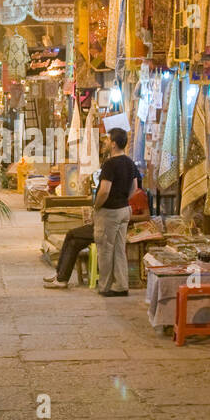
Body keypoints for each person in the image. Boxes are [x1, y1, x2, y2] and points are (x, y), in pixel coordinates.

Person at [42, 187, 149, 288]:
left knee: (71, 234)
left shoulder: (137, 194)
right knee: (74, 242)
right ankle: (60, 276)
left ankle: (60, 278)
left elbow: (146, 216)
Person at [92, 127, 141, 297]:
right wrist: (124, 199)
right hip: (124, 210)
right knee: (120, 249)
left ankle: (105, 286)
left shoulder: (110, 164)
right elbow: (134, 188)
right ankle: (121, 284)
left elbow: (104, 190)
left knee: (105, 249)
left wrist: (97, 206)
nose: (105, 142)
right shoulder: (130, 162)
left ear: (113, 144)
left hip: (109, 212)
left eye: (107, 140)